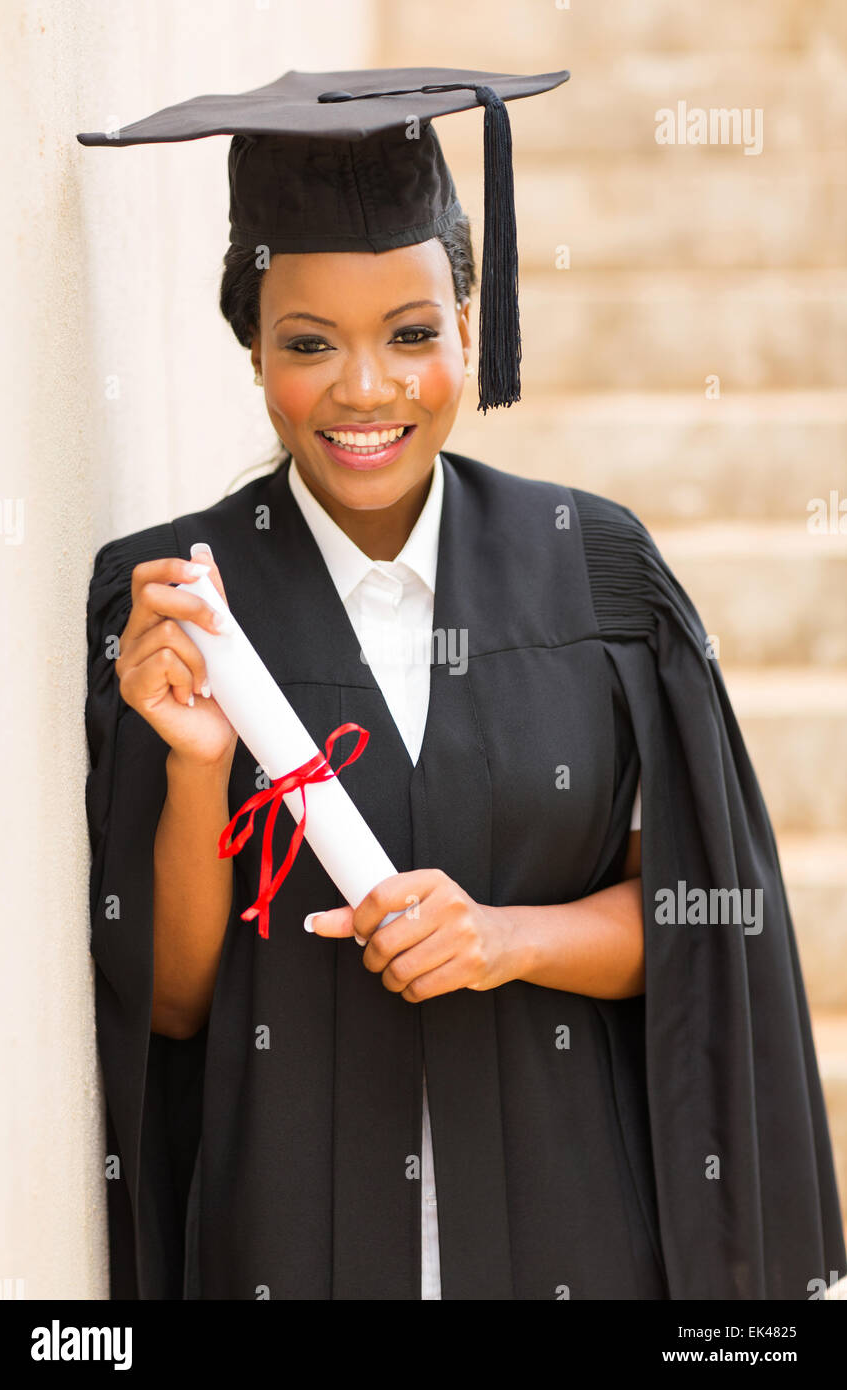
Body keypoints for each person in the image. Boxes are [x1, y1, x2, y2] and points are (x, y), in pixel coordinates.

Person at [80, 67, 845, 1300]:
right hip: (290, 1245)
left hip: (571, 1235)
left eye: (412, 333)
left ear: (472, 328)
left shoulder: (596, 580)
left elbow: (703, 918)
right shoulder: (183, 605)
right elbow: (170, 1005)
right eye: (308, 343)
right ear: (251, 344)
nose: (367, 388)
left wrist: (503, 938)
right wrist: (194, 763)